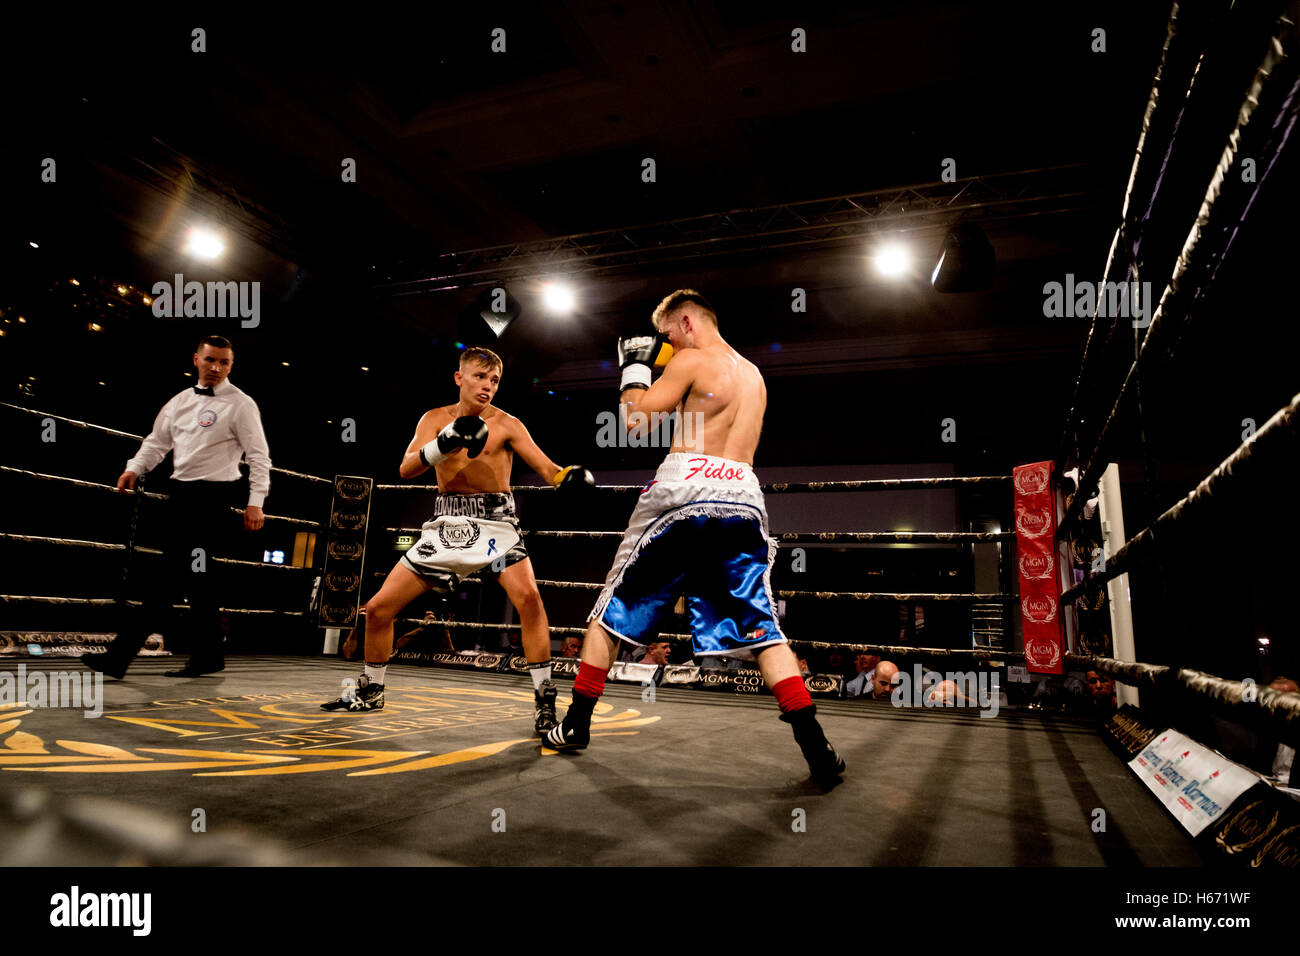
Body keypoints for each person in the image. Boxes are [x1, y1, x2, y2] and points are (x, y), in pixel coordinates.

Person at [544, 290, 845, 787]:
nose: (665, 343)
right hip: (743, 497)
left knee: (611, 606)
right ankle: (817, 748)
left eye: (666, 333)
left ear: (686, 321)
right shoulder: (754, 374)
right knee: (762, 625)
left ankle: (575, 726)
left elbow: (635, 423)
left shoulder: (691, 360)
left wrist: (634, 372)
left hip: (684, 490)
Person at [320, 346, 593, 737]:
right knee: (379, 610)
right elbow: (405, 468)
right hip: (446, 527)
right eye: (480, 377)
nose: (488, 386)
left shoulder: (509, 424)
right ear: (459, 378)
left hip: (496, 527)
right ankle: (371, 690)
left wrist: (567, 479)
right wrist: (444, 442)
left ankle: (544, 700)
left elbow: (549, 470)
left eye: (494, 380)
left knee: (530, 601)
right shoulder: (434, 419)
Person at [82, 335, 270, 679]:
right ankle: (209, 656)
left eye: (224, 362)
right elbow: (157, 442)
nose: (216, 367)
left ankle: (118, 656)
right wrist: (134, 468)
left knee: (167, 578)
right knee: (199, 581)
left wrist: (255, 502)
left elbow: (259, 457)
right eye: (210, 359)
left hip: (213, 499)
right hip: (180, 496)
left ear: (231, 365)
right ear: (196, 359)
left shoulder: (242, 404)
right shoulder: (179, 401)